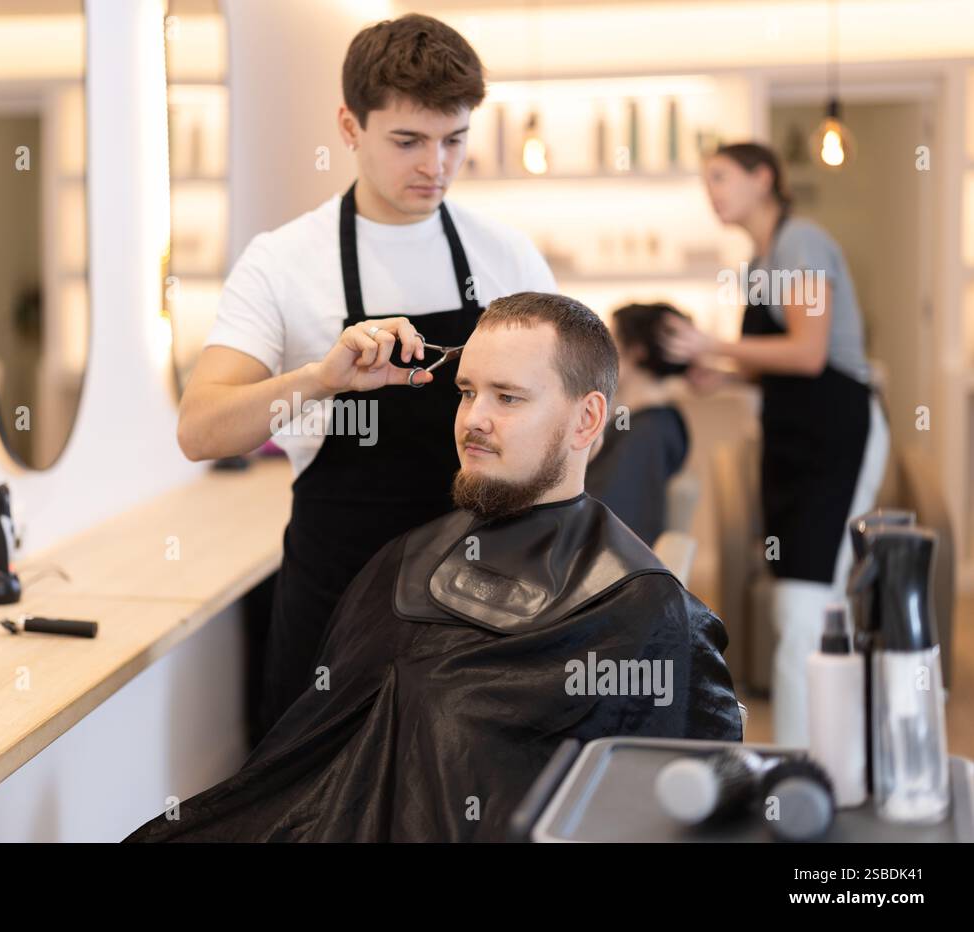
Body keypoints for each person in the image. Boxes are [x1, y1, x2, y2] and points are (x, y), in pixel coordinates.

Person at [127, 293, 742, 842]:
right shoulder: (405, 562)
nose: (473, 418)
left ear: (586, 419)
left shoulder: (643, 611)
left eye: (508, 397)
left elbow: (701, 810)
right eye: (468, 392)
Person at [177, 14, 558, 737]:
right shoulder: (284, 261)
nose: (435, 166)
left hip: (484, 595)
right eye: (408, 141)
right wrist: (321, 379)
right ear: (350, 127)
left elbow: (580, 412)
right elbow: (200, 429)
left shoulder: (504, 256)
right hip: (339, 597)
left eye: (455, 140)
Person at [659, 142, 889, 746]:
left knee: (807, 606)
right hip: (795, 439)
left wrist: (714, 347)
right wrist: (728, 372)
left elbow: (810, 353)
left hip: (834, 433)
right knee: (797, 604)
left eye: (721, 177)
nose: (712, 192)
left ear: (764, 178)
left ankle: (810, 763)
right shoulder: (760, 261)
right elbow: (779, 363)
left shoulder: (801, 242)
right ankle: (809, 757)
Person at [586, 302, 691, 545]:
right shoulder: (642, 422)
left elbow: (618, 520)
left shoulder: (648, 430)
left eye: (611, 342)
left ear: (636, 351)